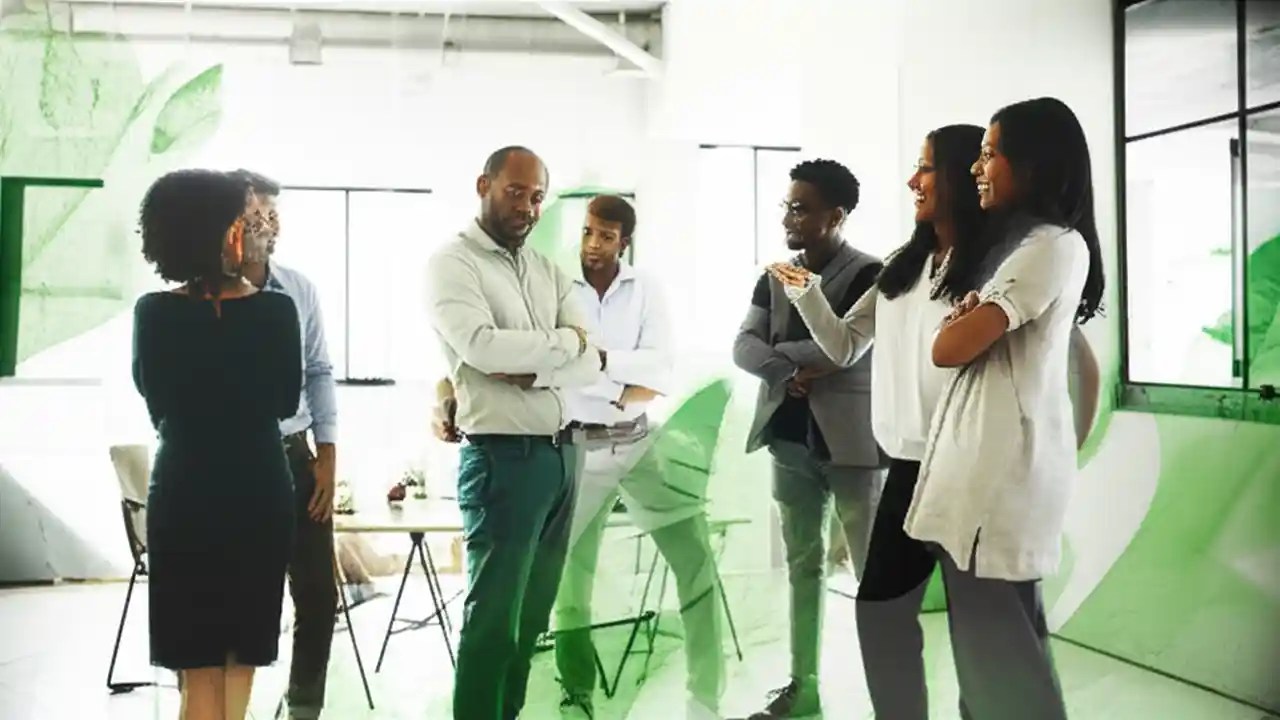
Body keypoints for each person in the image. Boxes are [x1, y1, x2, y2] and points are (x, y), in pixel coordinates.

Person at [433, 196, 726, 719]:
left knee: (696, 561)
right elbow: (504, 359)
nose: (593, 245)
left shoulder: (646, 289)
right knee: (571, 585)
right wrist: (605, 373)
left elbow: (658, 372)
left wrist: (587, 362)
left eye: (606, 236)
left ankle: (705, 697)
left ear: (624, 241)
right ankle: (578, 697)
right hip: (575, 444)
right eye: (589, 232)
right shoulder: (554, 281)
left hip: (638, 439)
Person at [771, 125, 990, 720]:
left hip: (966, 468)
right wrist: (808, 294)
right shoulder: (902, 265)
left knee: (982, 628)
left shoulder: (995, 265)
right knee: (880, 614)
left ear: (965, 178)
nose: (912, 180)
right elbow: (843, 347)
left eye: (926, 169)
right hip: (904, 467)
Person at [914, 97, 1105, 720]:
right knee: (997, 656)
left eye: (989, 154)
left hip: (994, 489)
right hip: (988, 483)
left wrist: (964, 321)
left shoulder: (1047, 247)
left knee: (1002, 666)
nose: (977, 167)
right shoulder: (1032, 247)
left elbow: (950, 347)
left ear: (1034, 164)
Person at [425, 146, 606, 720]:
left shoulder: (546, 269)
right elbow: (481, 348)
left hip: (562, 459)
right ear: (484, 183)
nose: (527, 206)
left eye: (536, 196)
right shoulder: (453, 264)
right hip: (505, 460)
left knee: (530, 624)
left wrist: (541, 360)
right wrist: (563, 350)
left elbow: (591, 358)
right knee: (493, 627)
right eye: (515, 192)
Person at [132, 169, 300, 720]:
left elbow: (158, 403)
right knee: (240, 654)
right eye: (245, 218)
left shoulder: (152, 314)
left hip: (183, 491)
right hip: (258, 489)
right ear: (224, 232)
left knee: (195, 661)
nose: (255, 228)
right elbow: (283, 401)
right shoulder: (277, 311)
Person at [732, 159, 886, 719]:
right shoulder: (775, 275)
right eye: (787, 205)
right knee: (803, 567)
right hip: (789, 441)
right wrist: (785, 370)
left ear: (836, 216)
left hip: (852, 449)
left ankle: (888, 696)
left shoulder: (871, 275)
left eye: (801, 207)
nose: (789, 217)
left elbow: (842, 349)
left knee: (872, 576)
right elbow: (742, 346)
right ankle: (805, 687)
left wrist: (784, 356)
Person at [233, 169, 340, 720]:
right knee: (244, 603)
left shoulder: (299, 289)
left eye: (273, 214)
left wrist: (327, 456)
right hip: (234, 462)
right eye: (255, 214)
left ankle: (304, 708)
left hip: (297, 455)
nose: (267, 225)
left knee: (320, 598)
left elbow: (320, 371)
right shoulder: (207, 292)